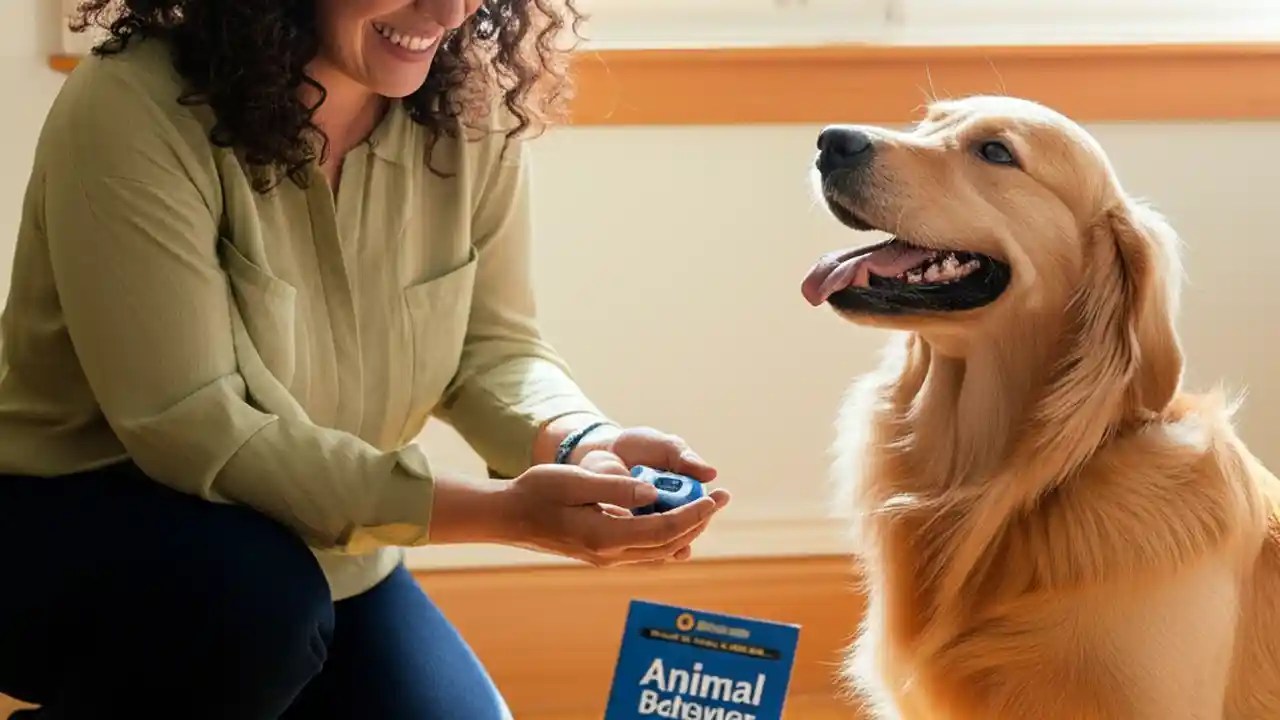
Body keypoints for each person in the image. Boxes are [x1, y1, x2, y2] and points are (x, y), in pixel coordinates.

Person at [0, 0, 731, 717]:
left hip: (329, 552)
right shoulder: (133, 105)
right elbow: (192, 425)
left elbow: (494, 347)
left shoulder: (469, 107)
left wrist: (580, 440)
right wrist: (504, 515)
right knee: (256, 617)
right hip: (72, 517)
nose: (448, 13)